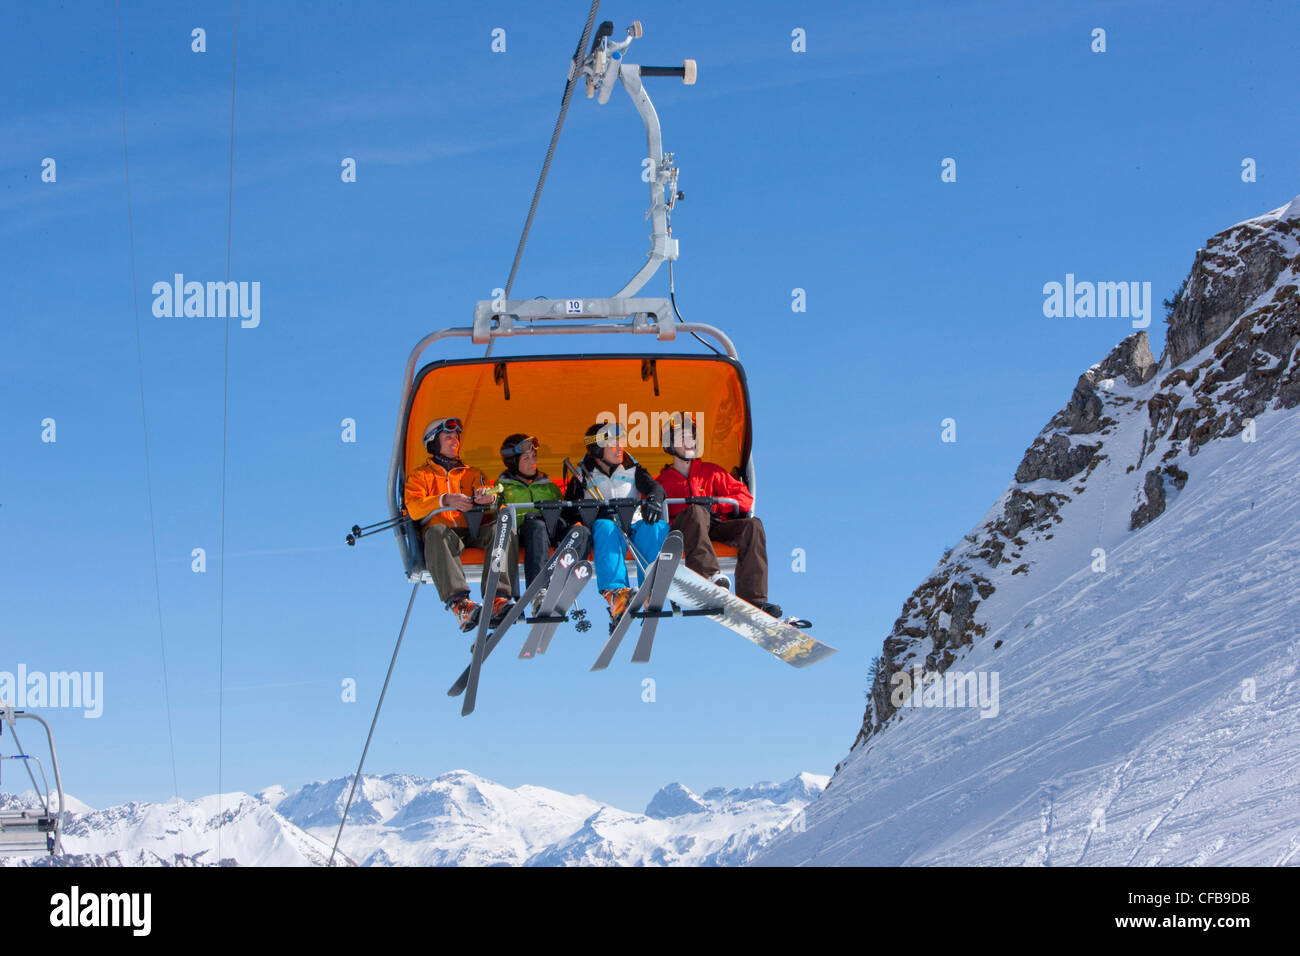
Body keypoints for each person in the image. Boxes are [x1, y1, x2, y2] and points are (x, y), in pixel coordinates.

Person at [655, 412, 783, 618]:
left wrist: (716, 508)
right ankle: (707, 579)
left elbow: (744, 498)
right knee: (695, 512)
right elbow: (651, 513)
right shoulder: (662, 482)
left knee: (753, 526)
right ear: (670, 444)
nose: (690, 442)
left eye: (692, 437)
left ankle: (755, 600)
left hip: (714, 526)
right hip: (682, 533)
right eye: (683, 437)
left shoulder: (711, 472)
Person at [404, 416, 516, 632]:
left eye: (456, 437)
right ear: (434, 443)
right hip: (445, 534)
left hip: (473, 530)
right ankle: (460, 604)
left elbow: (491, 494)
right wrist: (444, 500)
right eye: (448, 437)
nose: (454, 441)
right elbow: (414, 508)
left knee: (501, 528)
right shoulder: (421, 476)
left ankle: (497, 598)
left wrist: (488, 498)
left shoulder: (472, 473)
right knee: (436, 532)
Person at [564, 421, 668, 622]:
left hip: (634, 523)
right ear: (597, 448)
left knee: (654, 527)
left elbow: (656, 488)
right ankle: (616, 594)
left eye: (620, 441)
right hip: (607, 527)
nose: (620, 447)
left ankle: (651, 587)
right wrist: (591, 513)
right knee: (605, 527)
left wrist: (654, 502)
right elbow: (569, 510)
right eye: (613, 443)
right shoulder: (583, 476)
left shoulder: (633, 469)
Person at [495, 433, 590, 608]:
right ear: (513, 462)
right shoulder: (502, 487)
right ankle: (539, 591)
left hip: (552, 527)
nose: (533, 462)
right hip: (526, 532)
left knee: (581, 532)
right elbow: (494, 510)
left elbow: (565, 511)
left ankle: (564, 579)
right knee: (536, 526)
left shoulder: (548, 485)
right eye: (526, 458)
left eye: (534, 457)